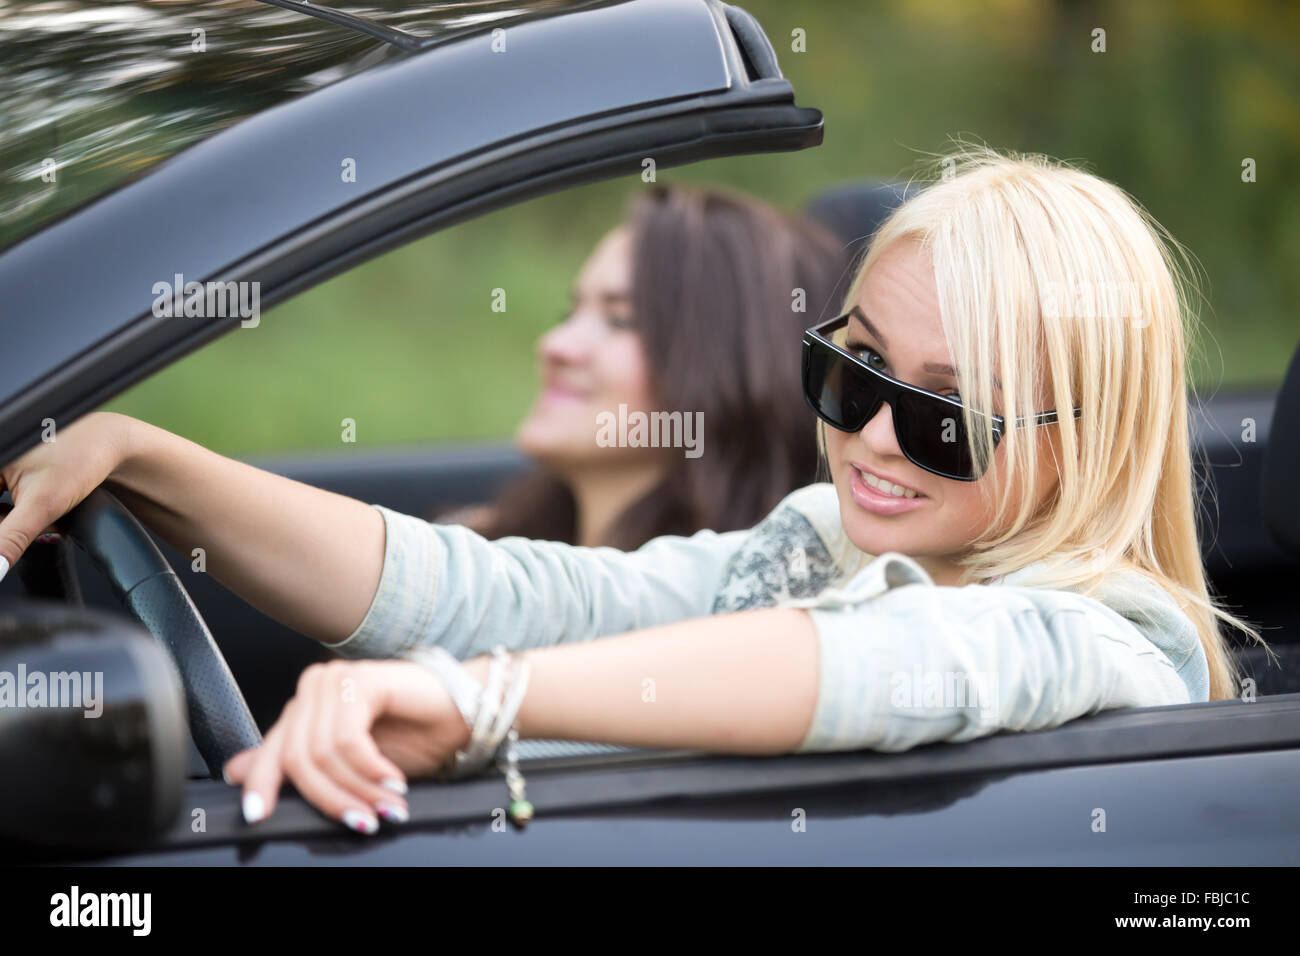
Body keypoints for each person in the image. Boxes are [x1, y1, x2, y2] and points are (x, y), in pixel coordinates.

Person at [0, 146, 1263, 834]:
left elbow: (881, 665)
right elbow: (533, 594)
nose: (873, 436)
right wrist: (149, 456)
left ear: (1087, 439)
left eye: (944, 413)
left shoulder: (1108, 637)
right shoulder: (828, 535)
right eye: (852, 366)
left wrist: (478, 700)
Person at [446, 183, 852, 549]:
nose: (554, 345)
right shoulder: (480, 548)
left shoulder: (724, 616)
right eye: (568, 314)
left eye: (621, 321)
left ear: (731, 374)